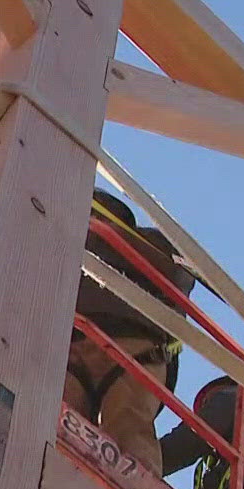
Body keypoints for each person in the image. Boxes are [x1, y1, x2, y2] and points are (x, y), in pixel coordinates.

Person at [63, 190, 196, 471]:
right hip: (77, 345)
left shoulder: (149, 243)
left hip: (132, 349)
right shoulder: (70, 240)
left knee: (128, 431)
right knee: (59, 427)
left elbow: (182, 273)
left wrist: (104, 234)